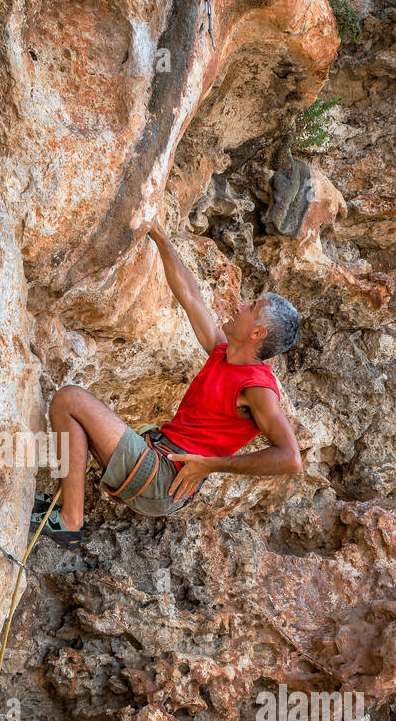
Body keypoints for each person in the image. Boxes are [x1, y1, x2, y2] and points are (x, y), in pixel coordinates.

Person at [31, 217, 303, 548]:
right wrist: (157, 233)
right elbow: (190, 296)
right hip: (157, 458)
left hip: (165, 477)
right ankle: (65, 512)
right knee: (81, 417)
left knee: (70, 400)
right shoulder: (222, 352)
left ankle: (70, 522)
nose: (241, 306)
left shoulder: (258, 387)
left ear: (257, 333)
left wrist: (211, 465)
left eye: (252, 308)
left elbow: (290, 457)